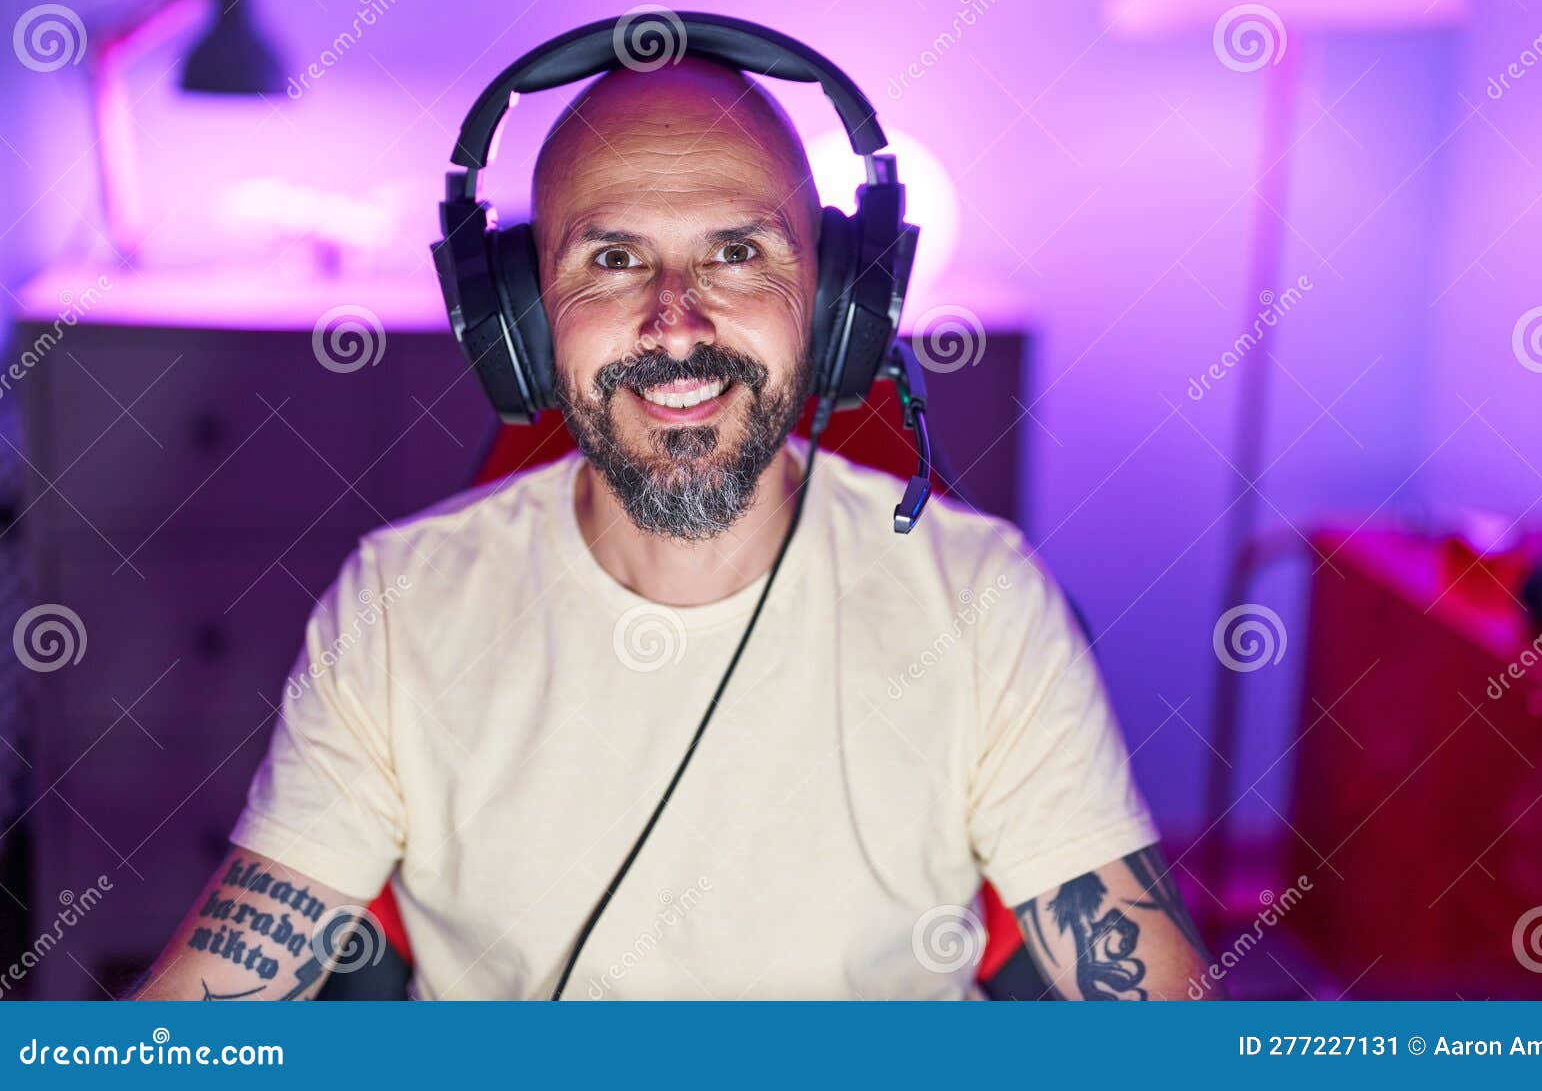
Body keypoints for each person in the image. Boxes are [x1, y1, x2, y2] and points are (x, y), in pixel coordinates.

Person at [130, 55, 1216, 1001]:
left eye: (737, 252)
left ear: (834, 302)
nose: (676, 324)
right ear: (521, 320)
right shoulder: (398, 603)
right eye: (612, 259)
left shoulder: (982, 601)